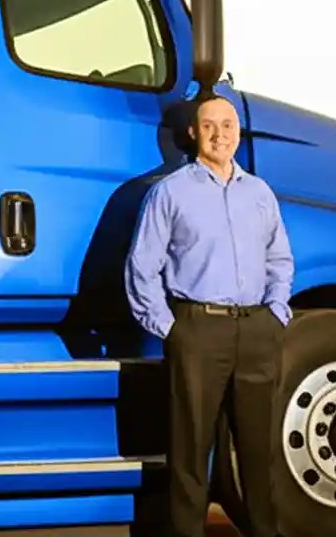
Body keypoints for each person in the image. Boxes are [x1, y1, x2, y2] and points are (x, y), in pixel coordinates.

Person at [125, 93, 294, 537]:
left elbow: (280, 259)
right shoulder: (170, 192)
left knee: (261, 453)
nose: (220, 134)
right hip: (198, 331)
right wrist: (172, 329)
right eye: (209, 126)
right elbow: (142, 267)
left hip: (257, 331)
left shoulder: (259, 193)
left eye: (228, 124)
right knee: (190, 453)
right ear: (192, 134)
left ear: (239, 131)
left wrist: (275, 312)